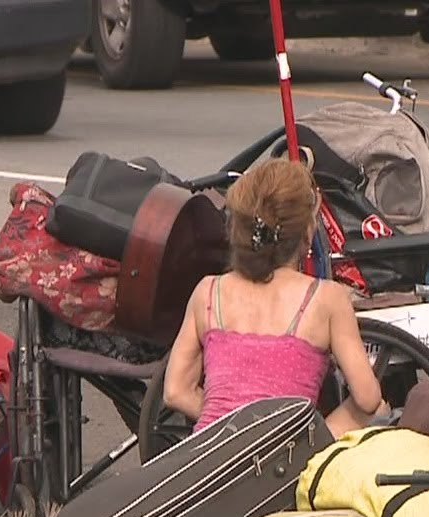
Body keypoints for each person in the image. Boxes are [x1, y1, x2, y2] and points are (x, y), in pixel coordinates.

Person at [163, 158, 388, 439]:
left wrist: (233, 422)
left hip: (216, 455)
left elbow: (175, 391)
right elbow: (367, 398)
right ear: (306, 232)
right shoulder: (326, 298)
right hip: (287, 455)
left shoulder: (208, 291)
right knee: (378, 408)